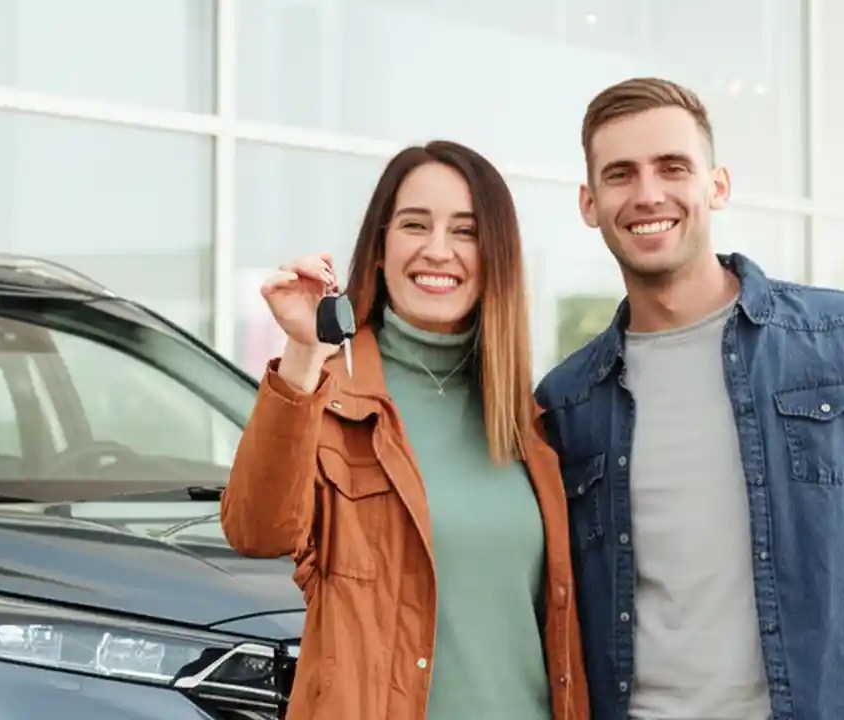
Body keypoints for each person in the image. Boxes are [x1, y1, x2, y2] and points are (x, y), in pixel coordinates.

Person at [535, 77, 844, 720]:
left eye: (672, 167)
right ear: (589, 203)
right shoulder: (568, 401)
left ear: (718, 185)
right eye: (620, 174)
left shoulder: (838, 339)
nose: (648, 193)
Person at [220, 140, 590, 720]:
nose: (437, 250)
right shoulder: (331, 396)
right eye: (415, 225)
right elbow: (255, 530)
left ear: (496, 256)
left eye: (465, 231)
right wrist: (302, 353)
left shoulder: (533, 421)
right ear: (380, 250)